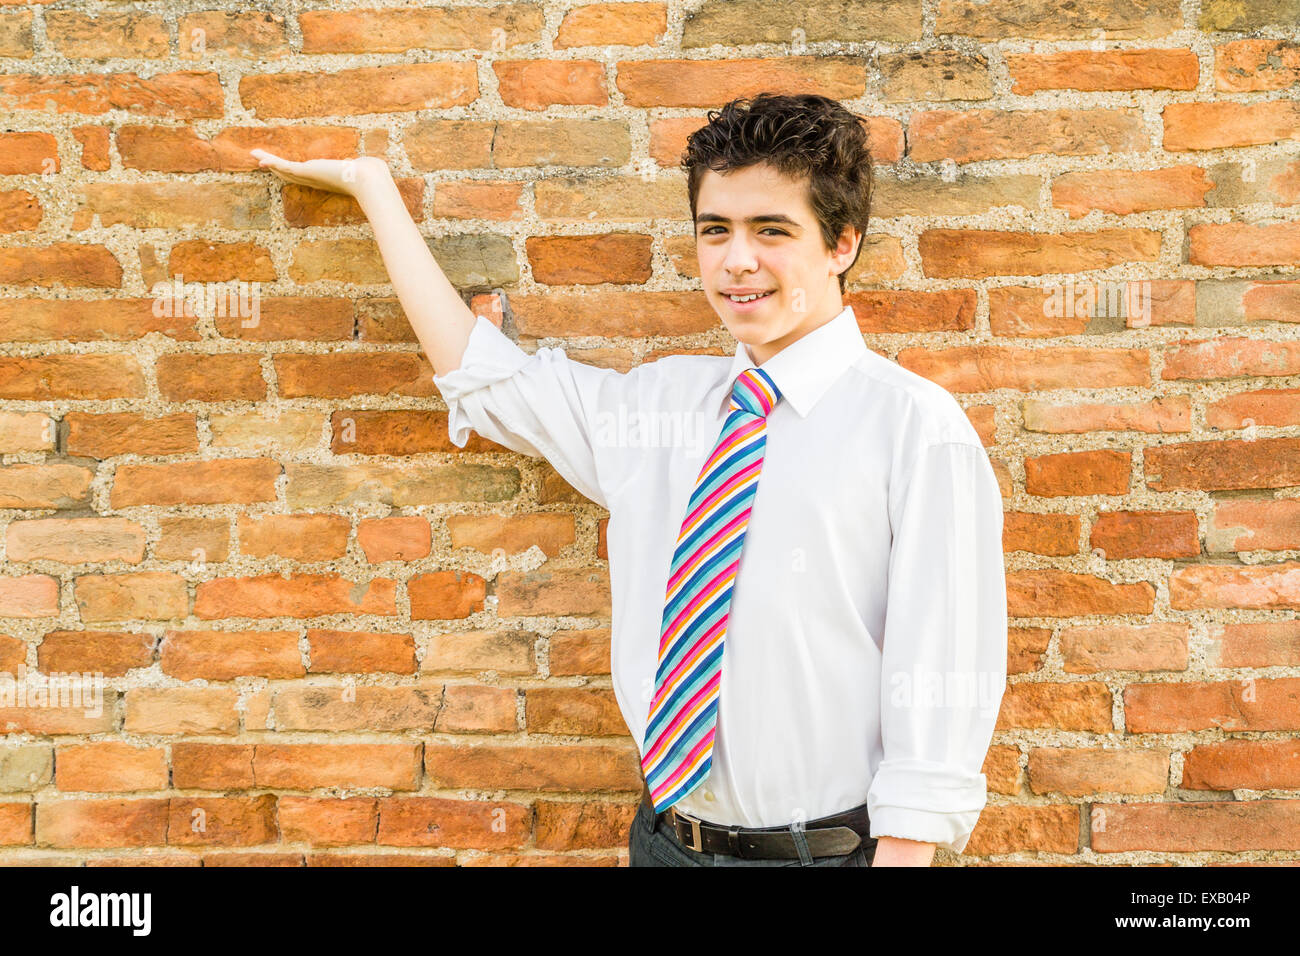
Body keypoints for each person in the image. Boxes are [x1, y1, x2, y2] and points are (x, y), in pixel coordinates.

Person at [250, 91, 1008, 868]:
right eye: (716, 231)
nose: (736, 260)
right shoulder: (661, 408)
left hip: (829, 855)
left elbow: (943, 667)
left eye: (771, 231)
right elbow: (487, 380)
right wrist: (372, 190)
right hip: (666, 846)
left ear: (841, 243)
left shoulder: (915, 427)